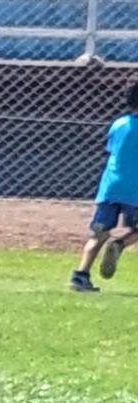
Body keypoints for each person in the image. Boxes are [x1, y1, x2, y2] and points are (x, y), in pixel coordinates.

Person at [70, 80, 137, 293]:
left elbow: (111, 149)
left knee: (98, 234)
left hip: (110, 187)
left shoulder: (118, 124)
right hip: (135, 189)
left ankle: (80, 275)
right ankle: (120, 244)